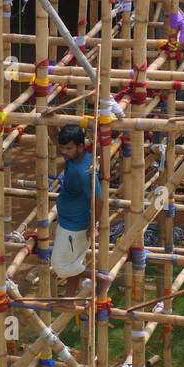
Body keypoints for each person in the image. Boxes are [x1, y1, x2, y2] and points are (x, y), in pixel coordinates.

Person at [50, 123, 111, 301]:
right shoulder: (78, 158)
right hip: (69, 221)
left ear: (80, 146)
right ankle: (69, 299)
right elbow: (55, 138)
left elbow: (99, 199)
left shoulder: (83, 172)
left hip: (74, 227)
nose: (64, 152)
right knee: (73, 263)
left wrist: (94, 225)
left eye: (68, 148)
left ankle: (99, 279)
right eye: (62, 147)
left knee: (60, 266)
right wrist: (50, 121)